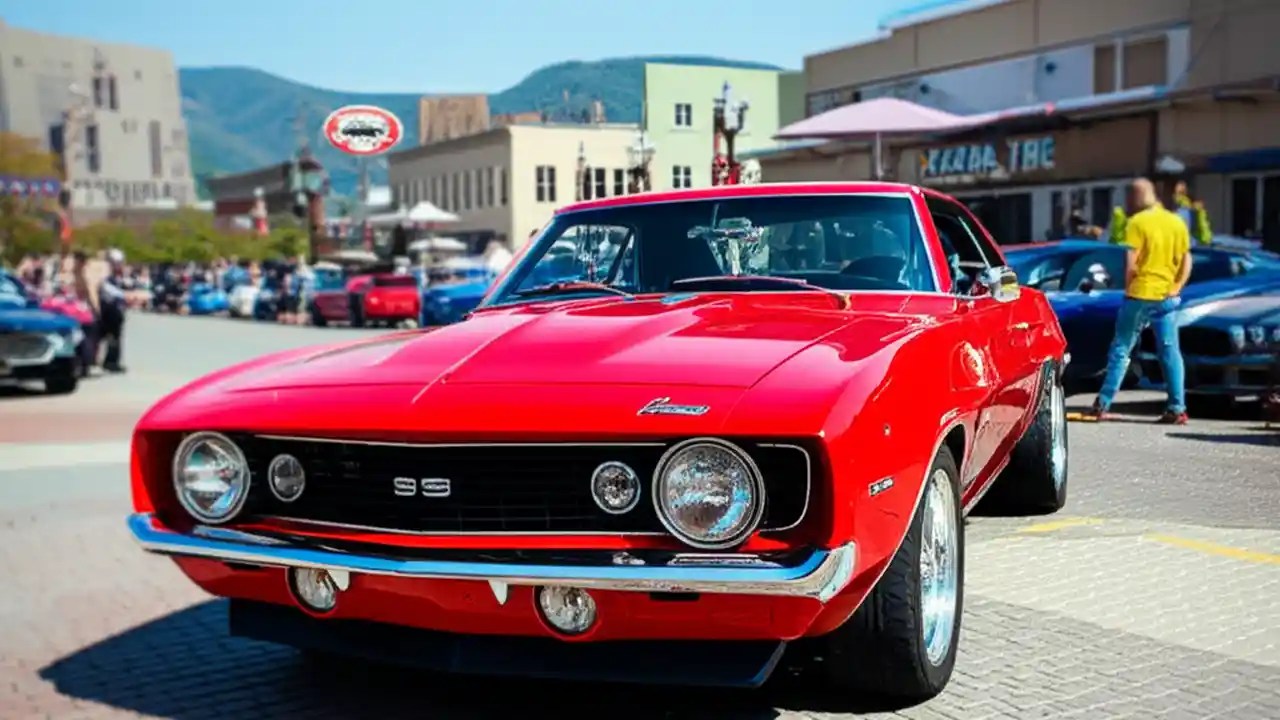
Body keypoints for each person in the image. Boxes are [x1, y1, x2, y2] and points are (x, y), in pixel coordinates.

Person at [1088, 178, 1192, 424]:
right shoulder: (1176, 222)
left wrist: (1128, 289)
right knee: (1169, 352)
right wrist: (1176, 287)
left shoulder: (1137, 223)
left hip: (1140, 294)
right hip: (1167, 297)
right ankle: (1177, 407)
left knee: (1122, 349)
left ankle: (1102, 403)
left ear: (1137, 197)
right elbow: (1187, 259)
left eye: (1129, 197)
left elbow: (1131, 263)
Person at [97, 249, 128, 373]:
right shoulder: (106, 277)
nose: (119, 265)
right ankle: (109, 362)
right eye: (117, 263)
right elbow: (112, 292)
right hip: (108, 310)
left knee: (115, 337)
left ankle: (111, 361)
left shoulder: (118, 277)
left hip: (116, 310)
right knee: (108, 336)